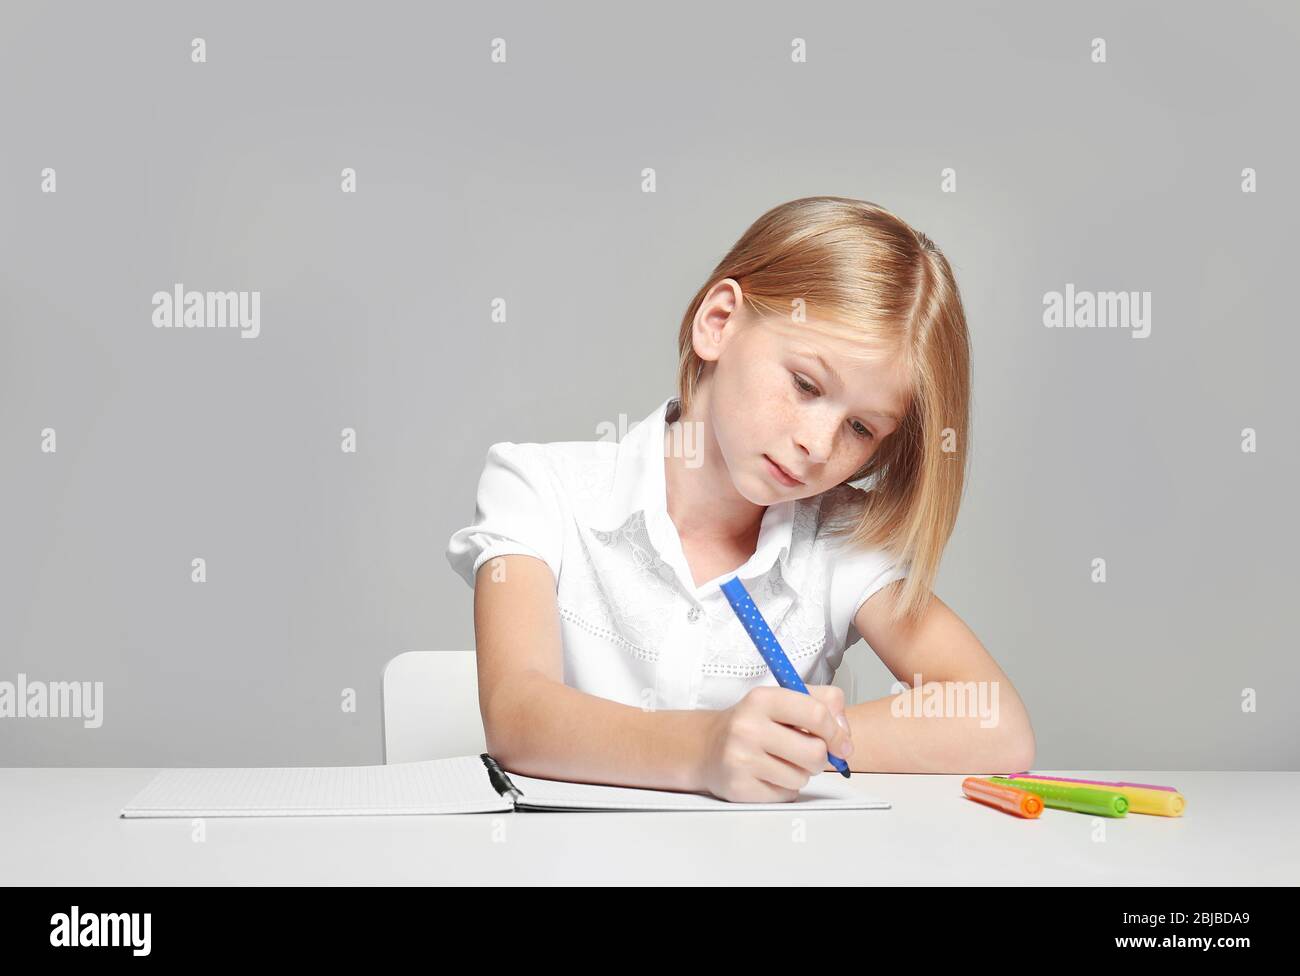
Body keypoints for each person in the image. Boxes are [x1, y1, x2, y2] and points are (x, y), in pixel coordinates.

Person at [447, 196, 1035, 802]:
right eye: (806, 384)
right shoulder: (540, 487)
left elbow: (997, 721)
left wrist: (788, 742)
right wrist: (705, 749)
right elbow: (518, 715)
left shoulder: (838, 539)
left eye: (861, 428)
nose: (816, 443)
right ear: (720, 321)